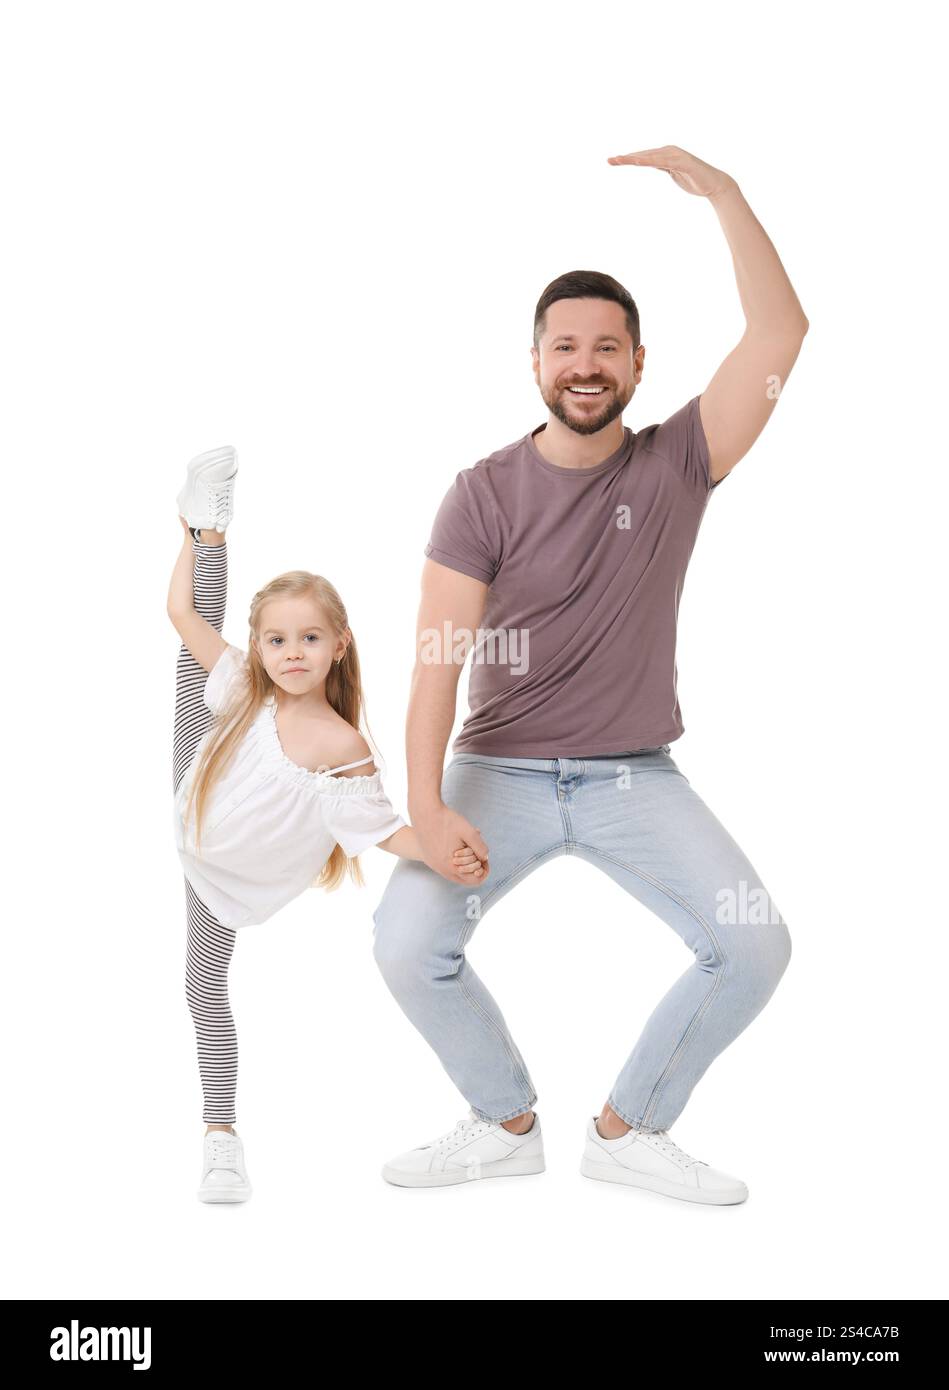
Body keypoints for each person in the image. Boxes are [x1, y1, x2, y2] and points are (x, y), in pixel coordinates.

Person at [371, 145, 808, 1203]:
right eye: (564, 345)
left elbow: (779, 336)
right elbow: (438, 657)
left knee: (754, 944)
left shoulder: (676, 464)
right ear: (534, 364)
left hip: (632, 777)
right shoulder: (479, 492)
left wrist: (728, 197)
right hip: (500, 771)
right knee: (403, 946)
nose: (584, 362)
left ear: (636, 364)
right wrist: (425, 807)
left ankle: (627, 1128)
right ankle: (503, 1120)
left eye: (605, 347)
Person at [167, 447, 479, 1203]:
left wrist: (442, 851)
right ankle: (208, 526)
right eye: (276, 639)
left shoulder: (342, 747)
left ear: (338, 643)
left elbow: (381, 831)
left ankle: (219, 1140)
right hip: (192, 778)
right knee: (191, 651)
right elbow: (180, 613)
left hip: (223, 870)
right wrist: (184, 538)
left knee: (202, 987)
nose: (291, 653)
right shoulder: (246, 682)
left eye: (308, 638)